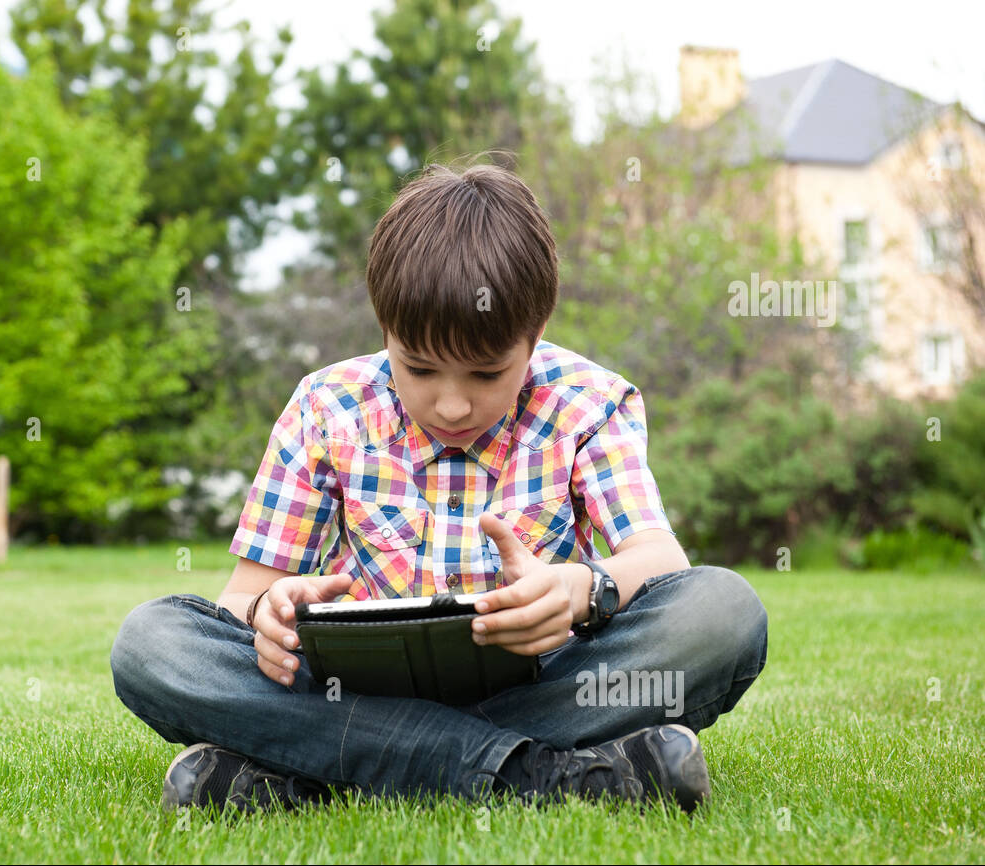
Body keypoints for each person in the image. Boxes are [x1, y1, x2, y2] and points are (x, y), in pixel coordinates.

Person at [111, 161, 768, 816]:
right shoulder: (325, 407)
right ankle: (547, 773)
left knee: (723, 613)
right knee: (154, 643)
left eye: (486, 373)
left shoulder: (588, 402)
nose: (452, 405)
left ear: (534, 336)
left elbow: (661, 563)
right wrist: (272, 612)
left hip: (540, 683)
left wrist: (579, 590)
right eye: (419, 367)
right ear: (384, 329)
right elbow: (243, 599)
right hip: (349, 690)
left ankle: (319, 769)